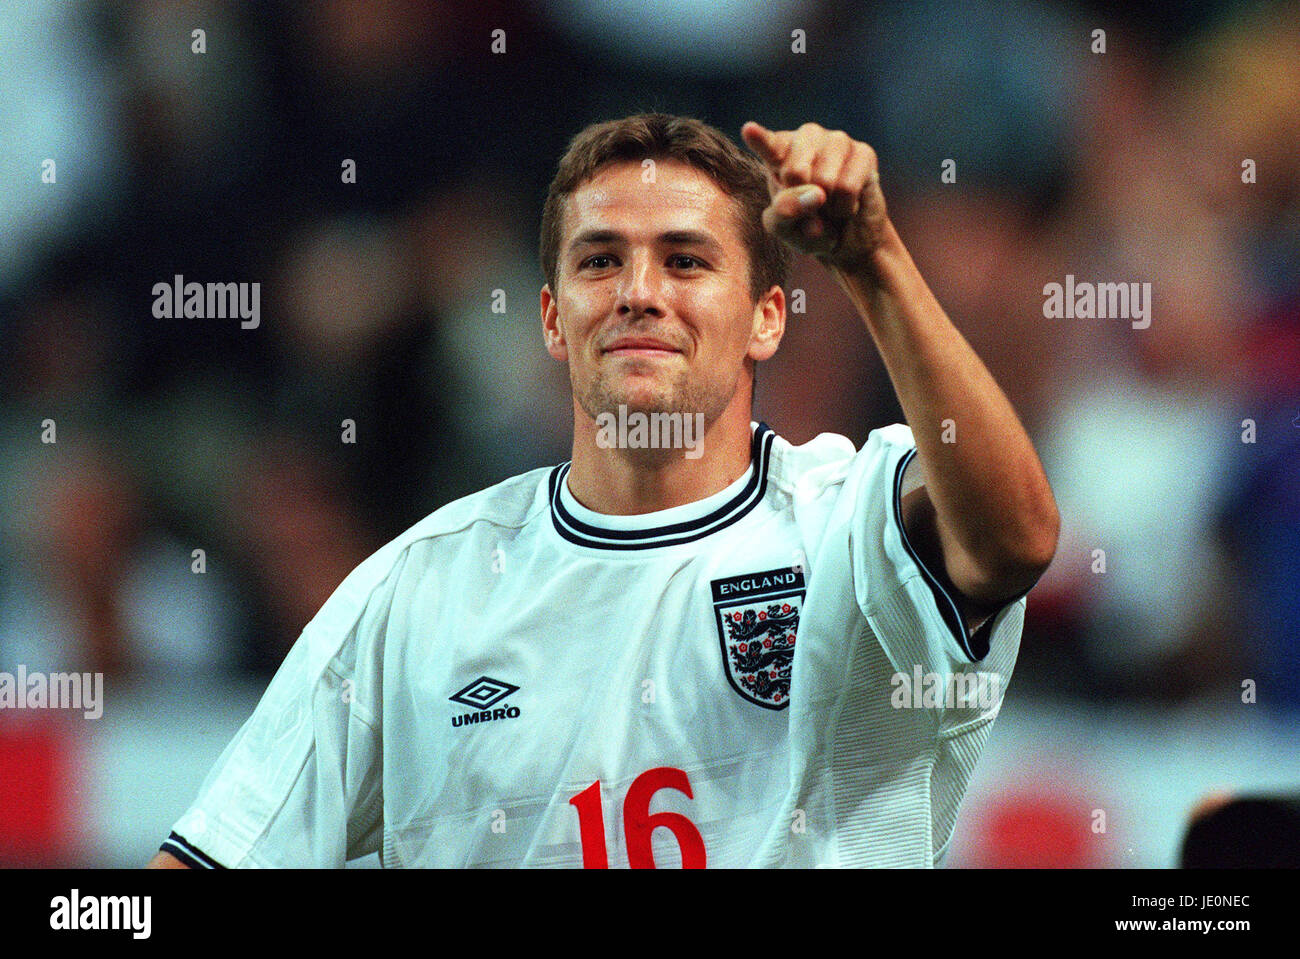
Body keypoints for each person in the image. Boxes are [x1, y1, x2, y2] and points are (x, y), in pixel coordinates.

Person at [147, 113, 1058, 868]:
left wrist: (876, 262)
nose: (639, 292)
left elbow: (1014, 540)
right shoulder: (419, 589)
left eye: (686, 260)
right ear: (552, 318)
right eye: (599, 261)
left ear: (767, 317)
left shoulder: (848, 527)